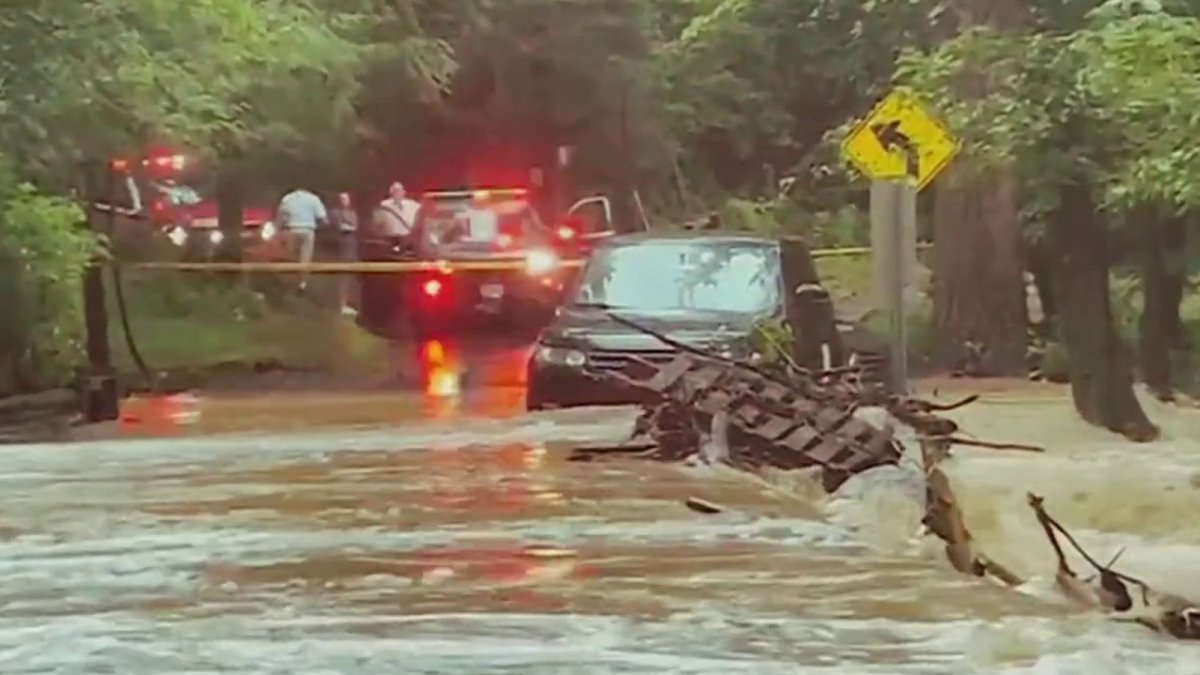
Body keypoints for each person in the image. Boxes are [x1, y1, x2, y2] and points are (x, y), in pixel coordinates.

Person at [276, 186, 327, 290]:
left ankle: (288, 283)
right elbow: (322, 218)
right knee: (305, 259)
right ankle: (302, 284)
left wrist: (278, 229)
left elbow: (283, 218)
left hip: (292, 230)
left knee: (290, 257)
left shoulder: (288, 198)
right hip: (308, 231)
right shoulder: (314, 199)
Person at [329, 192, 359, 316]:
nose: (344, 201)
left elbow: (355, 226)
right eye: (342, 199)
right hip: (340, 243)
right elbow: (338, 226)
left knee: (350, 273)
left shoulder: (352, 213)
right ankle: (340, 303)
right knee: (343, 274)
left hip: (351, 243)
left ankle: (346, 302)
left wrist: (348, 226)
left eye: (346, 199)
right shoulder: (334, 213)